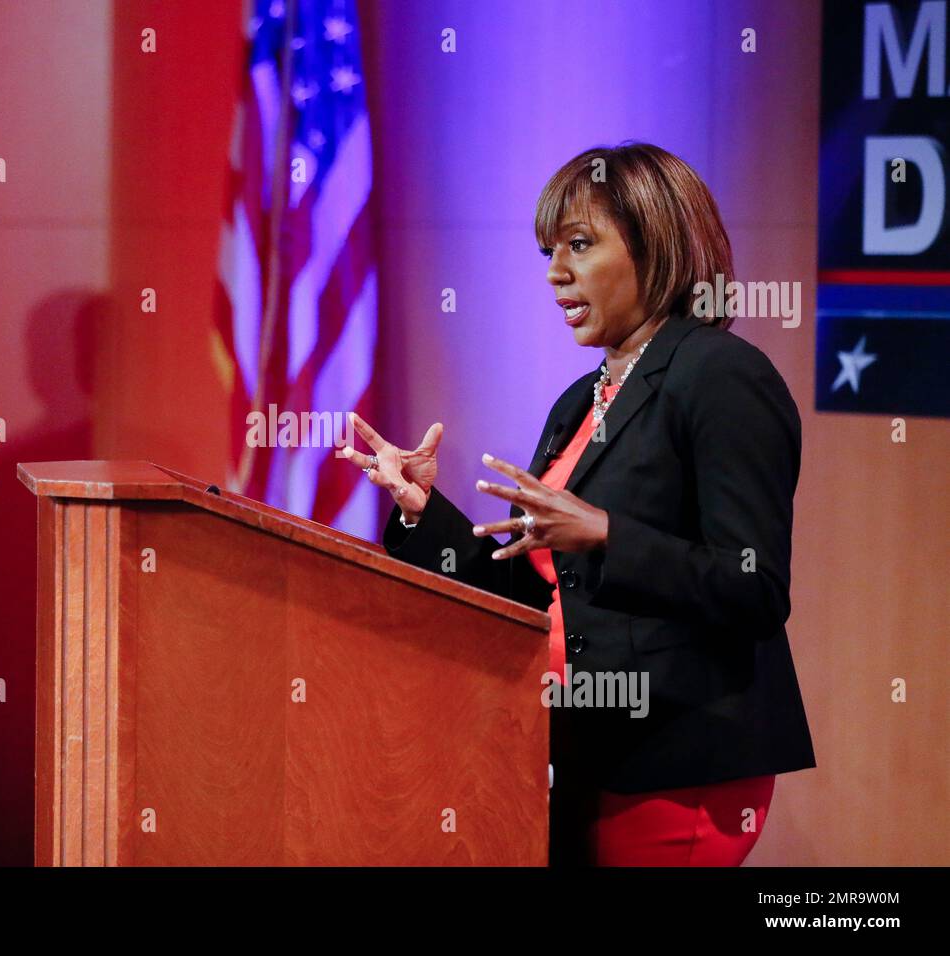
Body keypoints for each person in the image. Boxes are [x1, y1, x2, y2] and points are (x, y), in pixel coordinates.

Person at [340, 142, 815, 866]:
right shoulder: (580, 401)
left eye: (580, 246)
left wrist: (605, 534)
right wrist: (420, 510)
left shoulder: (721, 376)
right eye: (548, 252)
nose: (555, 274)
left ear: (657, 246)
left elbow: (754, 588)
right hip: (584, 747)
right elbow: (536, 587)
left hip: (678, 759)